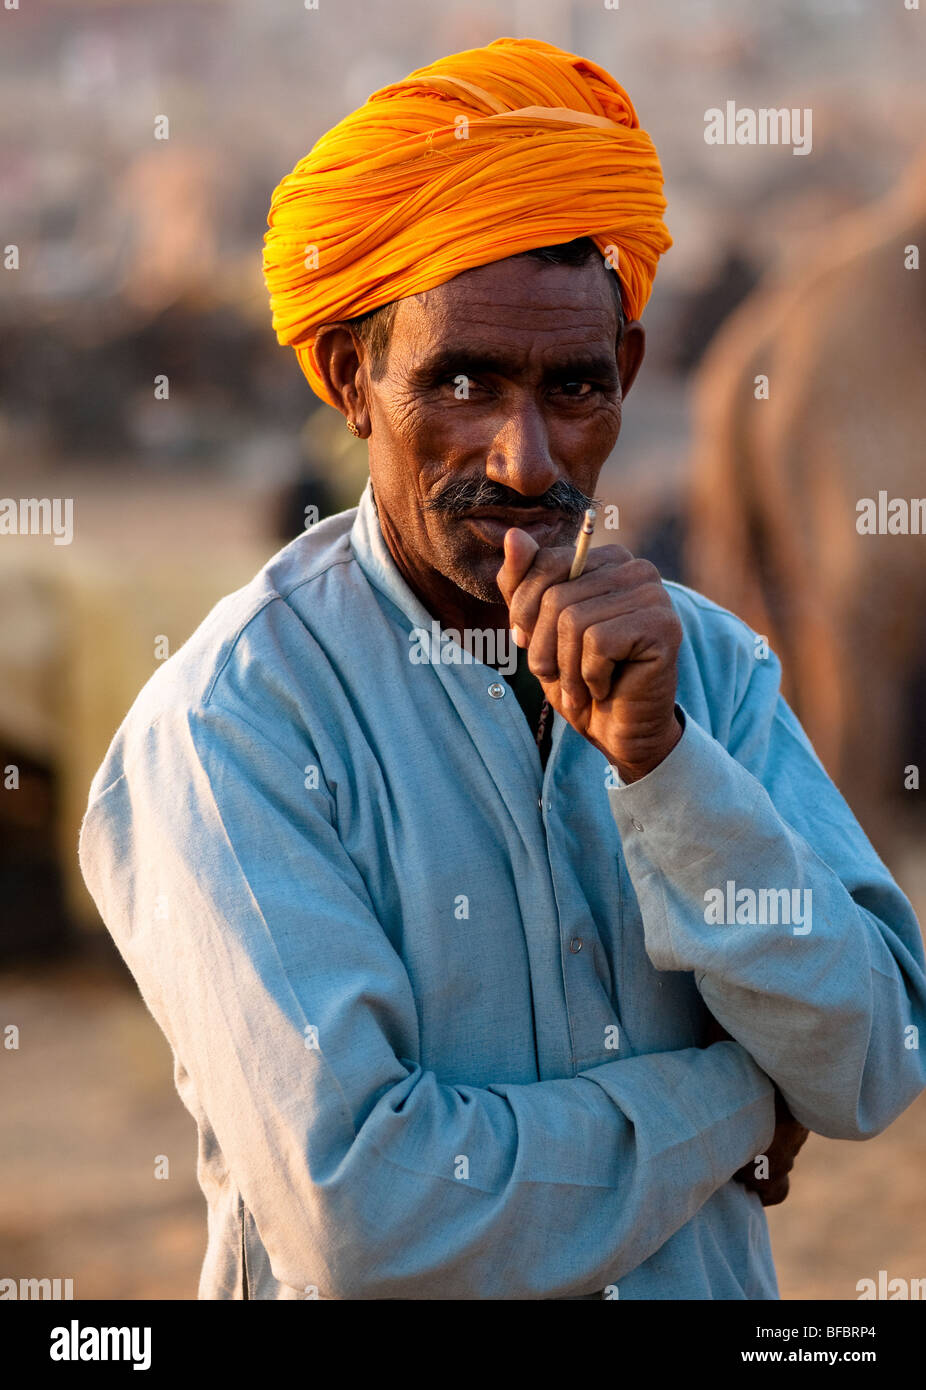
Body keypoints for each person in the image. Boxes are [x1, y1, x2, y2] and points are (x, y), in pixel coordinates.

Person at [78, 37, 926, 1300]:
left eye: (572, 389)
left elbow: (870, 1062)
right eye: (463, 383)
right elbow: (369, 1219)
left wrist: (664, 767)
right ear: (353, 379)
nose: (526, 458)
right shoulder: (226, 733)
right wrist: (731, 1098)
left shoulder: (712, 678)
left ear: (627, 377)